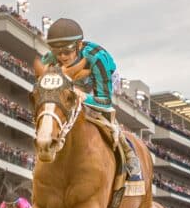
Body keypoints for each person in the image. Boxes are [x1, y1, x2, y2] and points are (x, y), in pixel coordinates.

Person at [41, 18, 140, 176]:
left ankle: (129, 153)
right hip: (75, 80)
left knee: (95, 113)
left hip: (101, 79)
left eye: (67, 51)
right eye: (57, 52)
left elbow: (105, 102)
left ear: (79, 46)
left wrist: (83, 97)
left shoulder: (98, 59)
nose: (62, 57)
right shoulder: (49, 59)